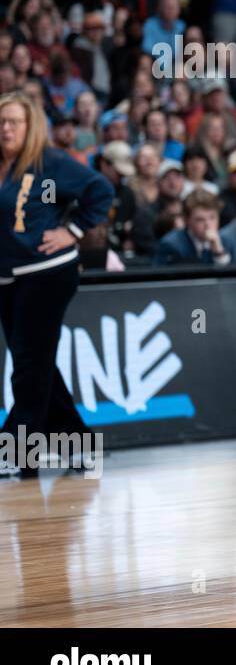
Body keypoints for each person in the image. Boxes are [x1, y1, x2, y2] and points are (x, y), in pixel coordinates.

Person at [0, 93, 113, 477]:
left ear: (31, 127)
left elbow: (101, 190)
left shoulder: (50, 162)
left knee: (29, 364)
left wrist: (72, 231)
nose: (6, 129)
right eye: (2, 121)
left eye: (14, 121)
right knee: (36, 363)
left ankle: (17, 451)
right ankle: (80, 447)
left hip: (48, 272)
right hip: (9, 277)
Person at [154, 190, 231, 266]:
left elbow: (230, 276)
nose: (208, 224)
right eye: (200, 219)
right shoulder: (171, 245)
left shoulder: (225, 240)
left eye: (212, 218)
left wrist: (218, 251)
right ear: (187, 221)